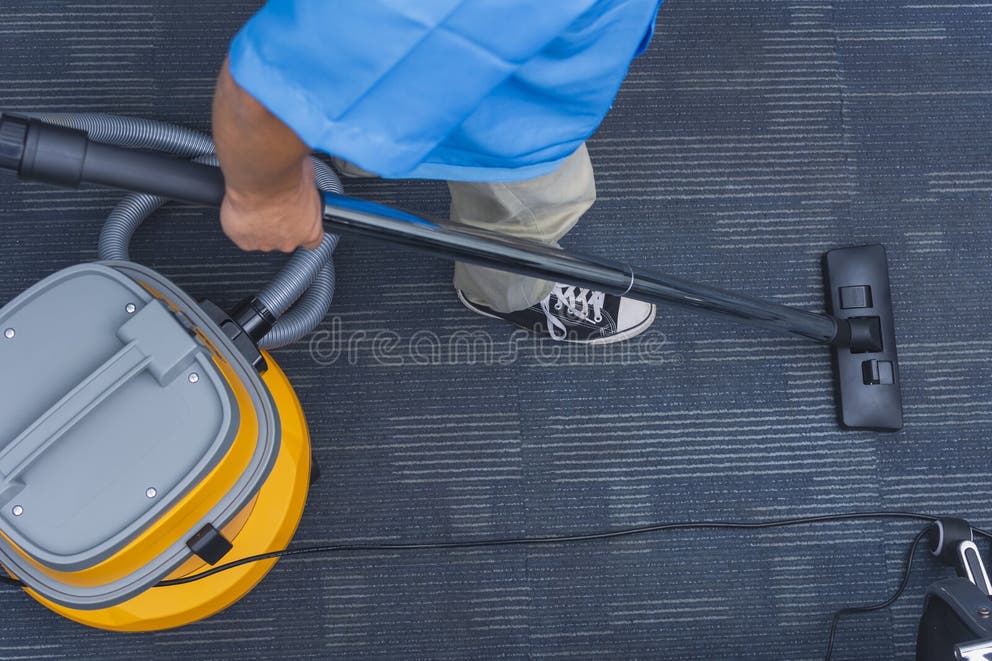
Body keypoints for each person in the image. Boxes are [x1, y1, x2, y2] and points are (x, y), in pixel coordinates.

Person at [212, 0, 663, 344]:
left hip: (453, 66)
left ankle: (351, 147)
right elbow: (272, 86)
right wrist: (263, 196)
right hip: (510, 117)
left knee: (359, 96)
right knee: (541, 206)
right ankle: (506, 291)